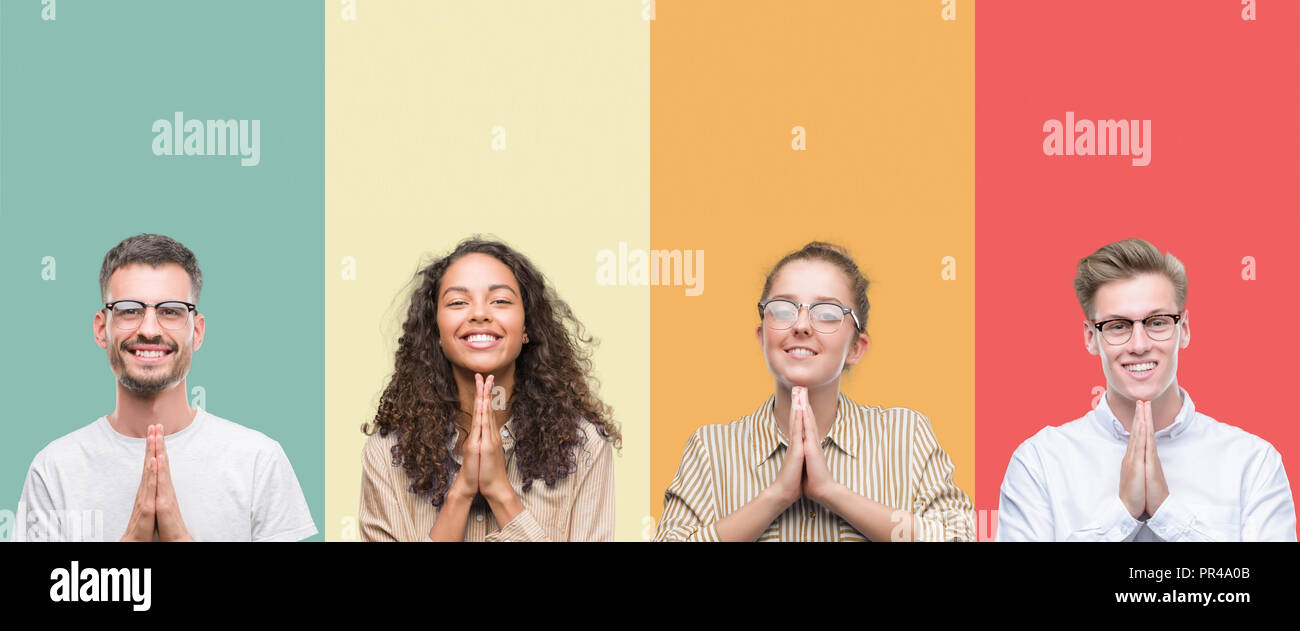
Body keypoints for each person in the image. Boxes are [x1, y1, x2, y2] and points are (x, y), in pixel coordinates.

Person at [655, 242, 974, 541]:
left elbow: (959, 536)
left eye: (827, 313)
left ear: (856, 348)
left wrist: (832, 493)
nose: (802, 325)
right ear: (761, 335)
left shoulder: (907, 436)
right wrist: (776, 496)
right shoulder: (711, 450)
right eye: (783, 309)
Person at [14, 234, 316, 542]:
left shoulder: (259, 461)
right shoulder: (53, 470)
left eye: (170, 310)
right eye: (129, 309)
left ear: (197, 332)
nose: (148, 329)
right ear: (101, 328)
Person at [997, 238, 1296, 541]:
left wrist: (1167, 513)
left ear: (1185, 330)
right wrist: (1122, 514)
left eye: (1157, 322)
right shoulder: (1040, 463)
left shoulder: (1253, 463)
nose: (1139, 345)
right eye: (1118, 326)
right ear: (1090, 337)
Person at [359, 238, 620, 541]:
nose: (480, 313)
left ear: (526, 328)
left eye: (500, 301)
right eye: (458, 302)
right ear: (436, 333)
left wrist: (500, 492)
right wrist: (461, 492)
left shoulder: (585, 447)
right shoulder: (386, 455)